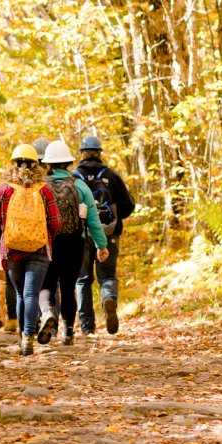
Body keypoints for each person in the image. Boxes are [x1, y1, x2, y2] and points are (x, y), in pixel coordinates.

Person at [0, 144, 61, 356]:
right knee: (31, 293)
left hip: (12, 250)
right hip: (39, 249)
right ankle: (29, 335)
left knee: (20, 294)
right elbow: (56, 222)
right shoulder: (44, 190)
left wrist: (7, 229)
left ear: (13, 164)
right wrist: (44, 236)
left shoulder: (4, 189)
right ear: (37, 165)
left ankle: (22, 337)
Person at [37, 140, 110, 345]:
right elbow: (94, 220)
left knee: (47, 285)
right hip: (74, 244)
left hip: (48, 243)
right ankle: (68, 331)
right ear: (69, 163)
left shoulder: (41, 188)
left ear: (48, 164)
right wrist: (101, 245)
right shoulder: (79, 186)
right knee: (68, 287)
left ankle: (48, 314)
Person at [75, 135, 136, 334]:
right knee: (107, 275)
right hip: (108, 234)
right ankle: (108, 297)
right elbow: (128, 206)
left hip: (82, 237)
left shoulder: (74, 177)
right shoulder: (111, 175)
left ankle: (87, 327)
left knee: (82, 280)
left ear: (82, 153)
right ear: (99, 153)